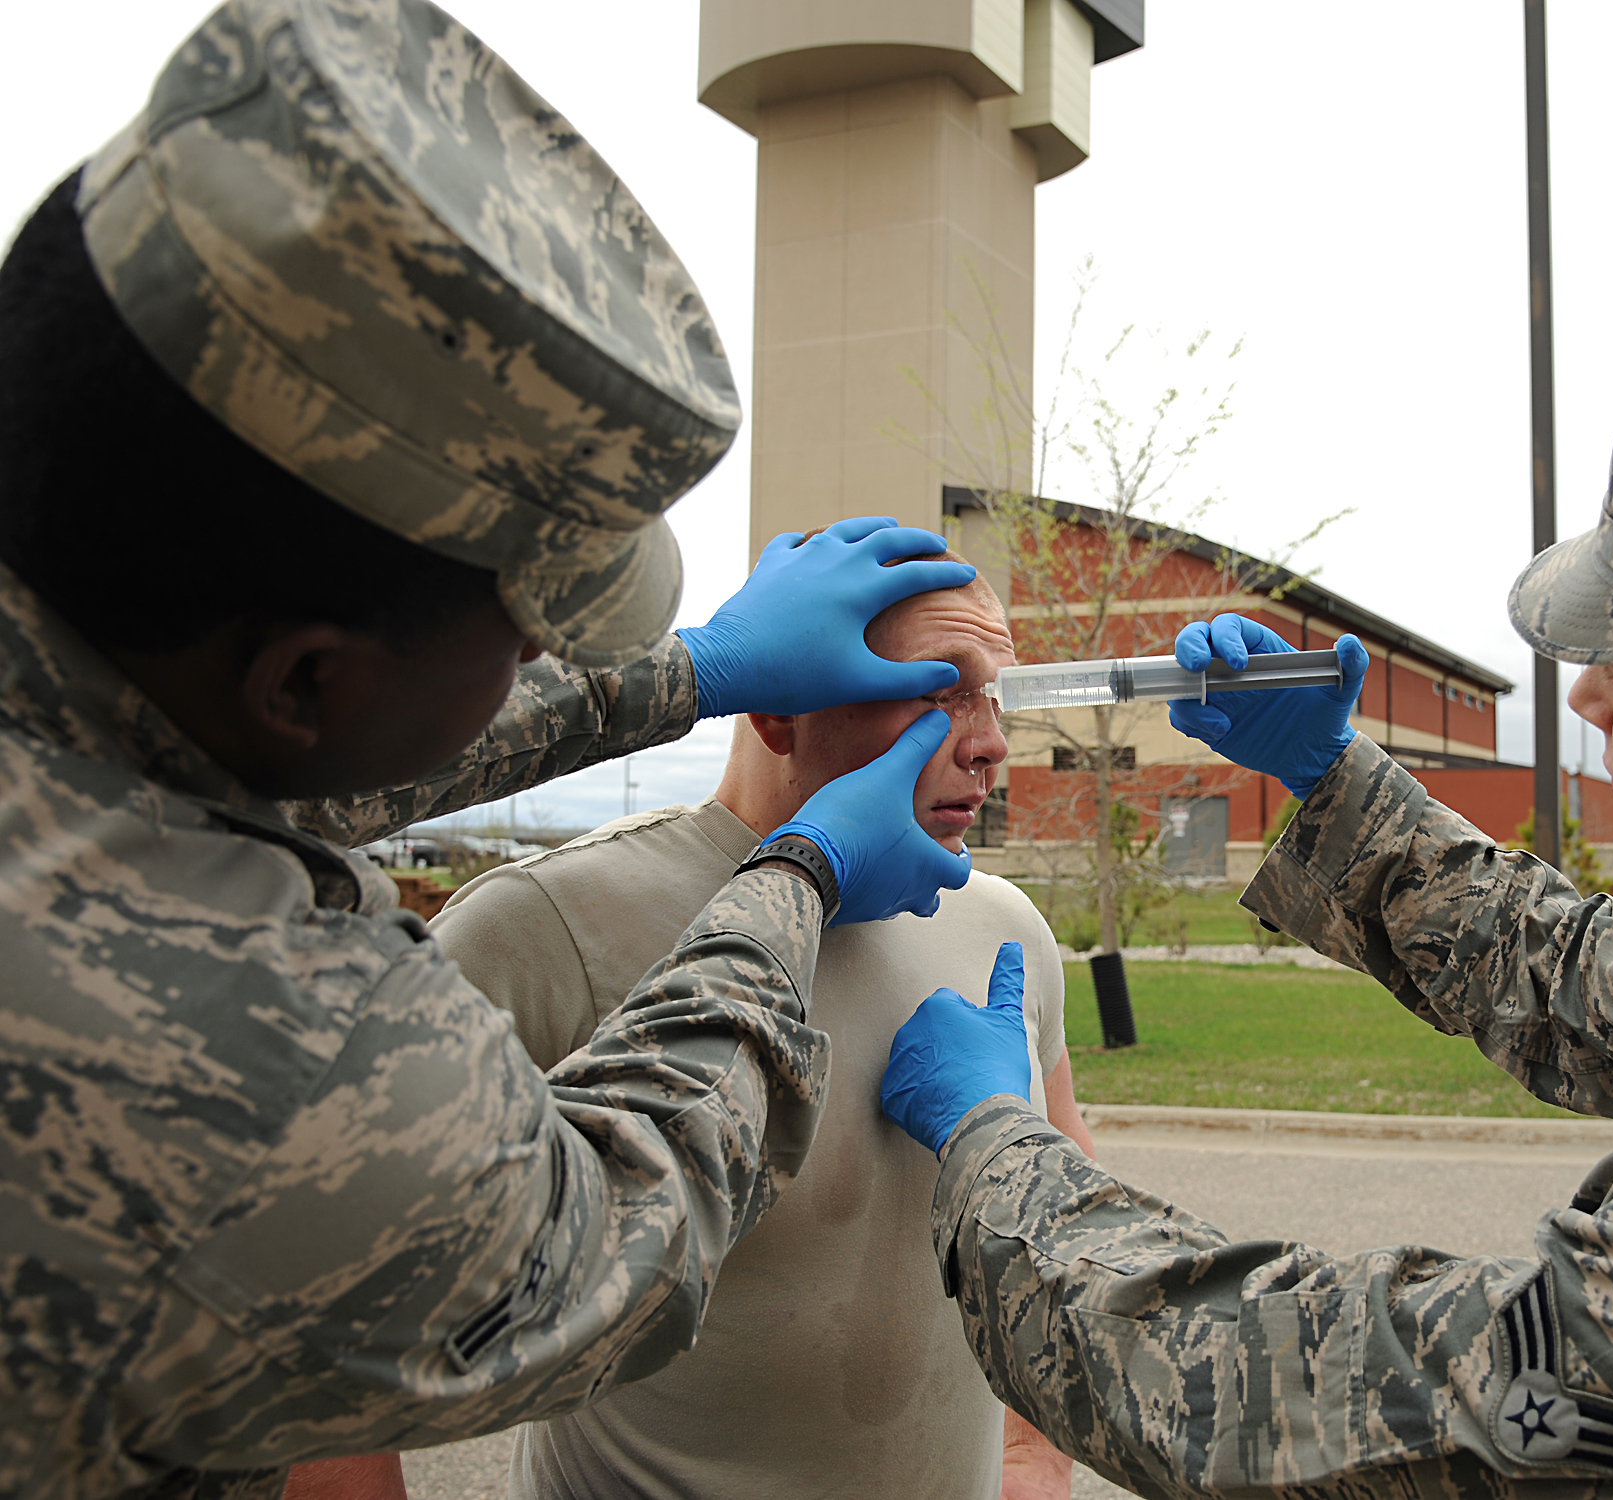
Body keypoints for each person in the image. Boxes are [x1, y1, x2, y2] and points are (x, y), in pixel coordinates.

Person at [0, 4, 983, 1498]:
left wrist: (691, 673)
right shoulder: (245, 1057)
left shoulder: (93, 669)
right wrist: (798, 873)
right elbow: (606, 1250)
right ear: (304, 677)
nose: (547, 663)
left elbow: (247, 752)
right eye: (534, 631)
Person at [879, 323, 1613, 1496]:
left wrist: (995, 1142)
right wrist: (1331, 777)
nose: (1591, 703)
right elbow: (1581, 981)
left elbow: (1276, 1402)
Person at [408, 544, 1091, 1500]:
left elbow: (1060, 1221)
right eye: (939, 695)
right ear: (777, 704)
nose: (990, 745)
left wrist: (1034, 1458)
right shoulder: (541, 926)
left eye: (994, 699)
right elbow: (293, 1293)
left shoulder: (1005, 928)